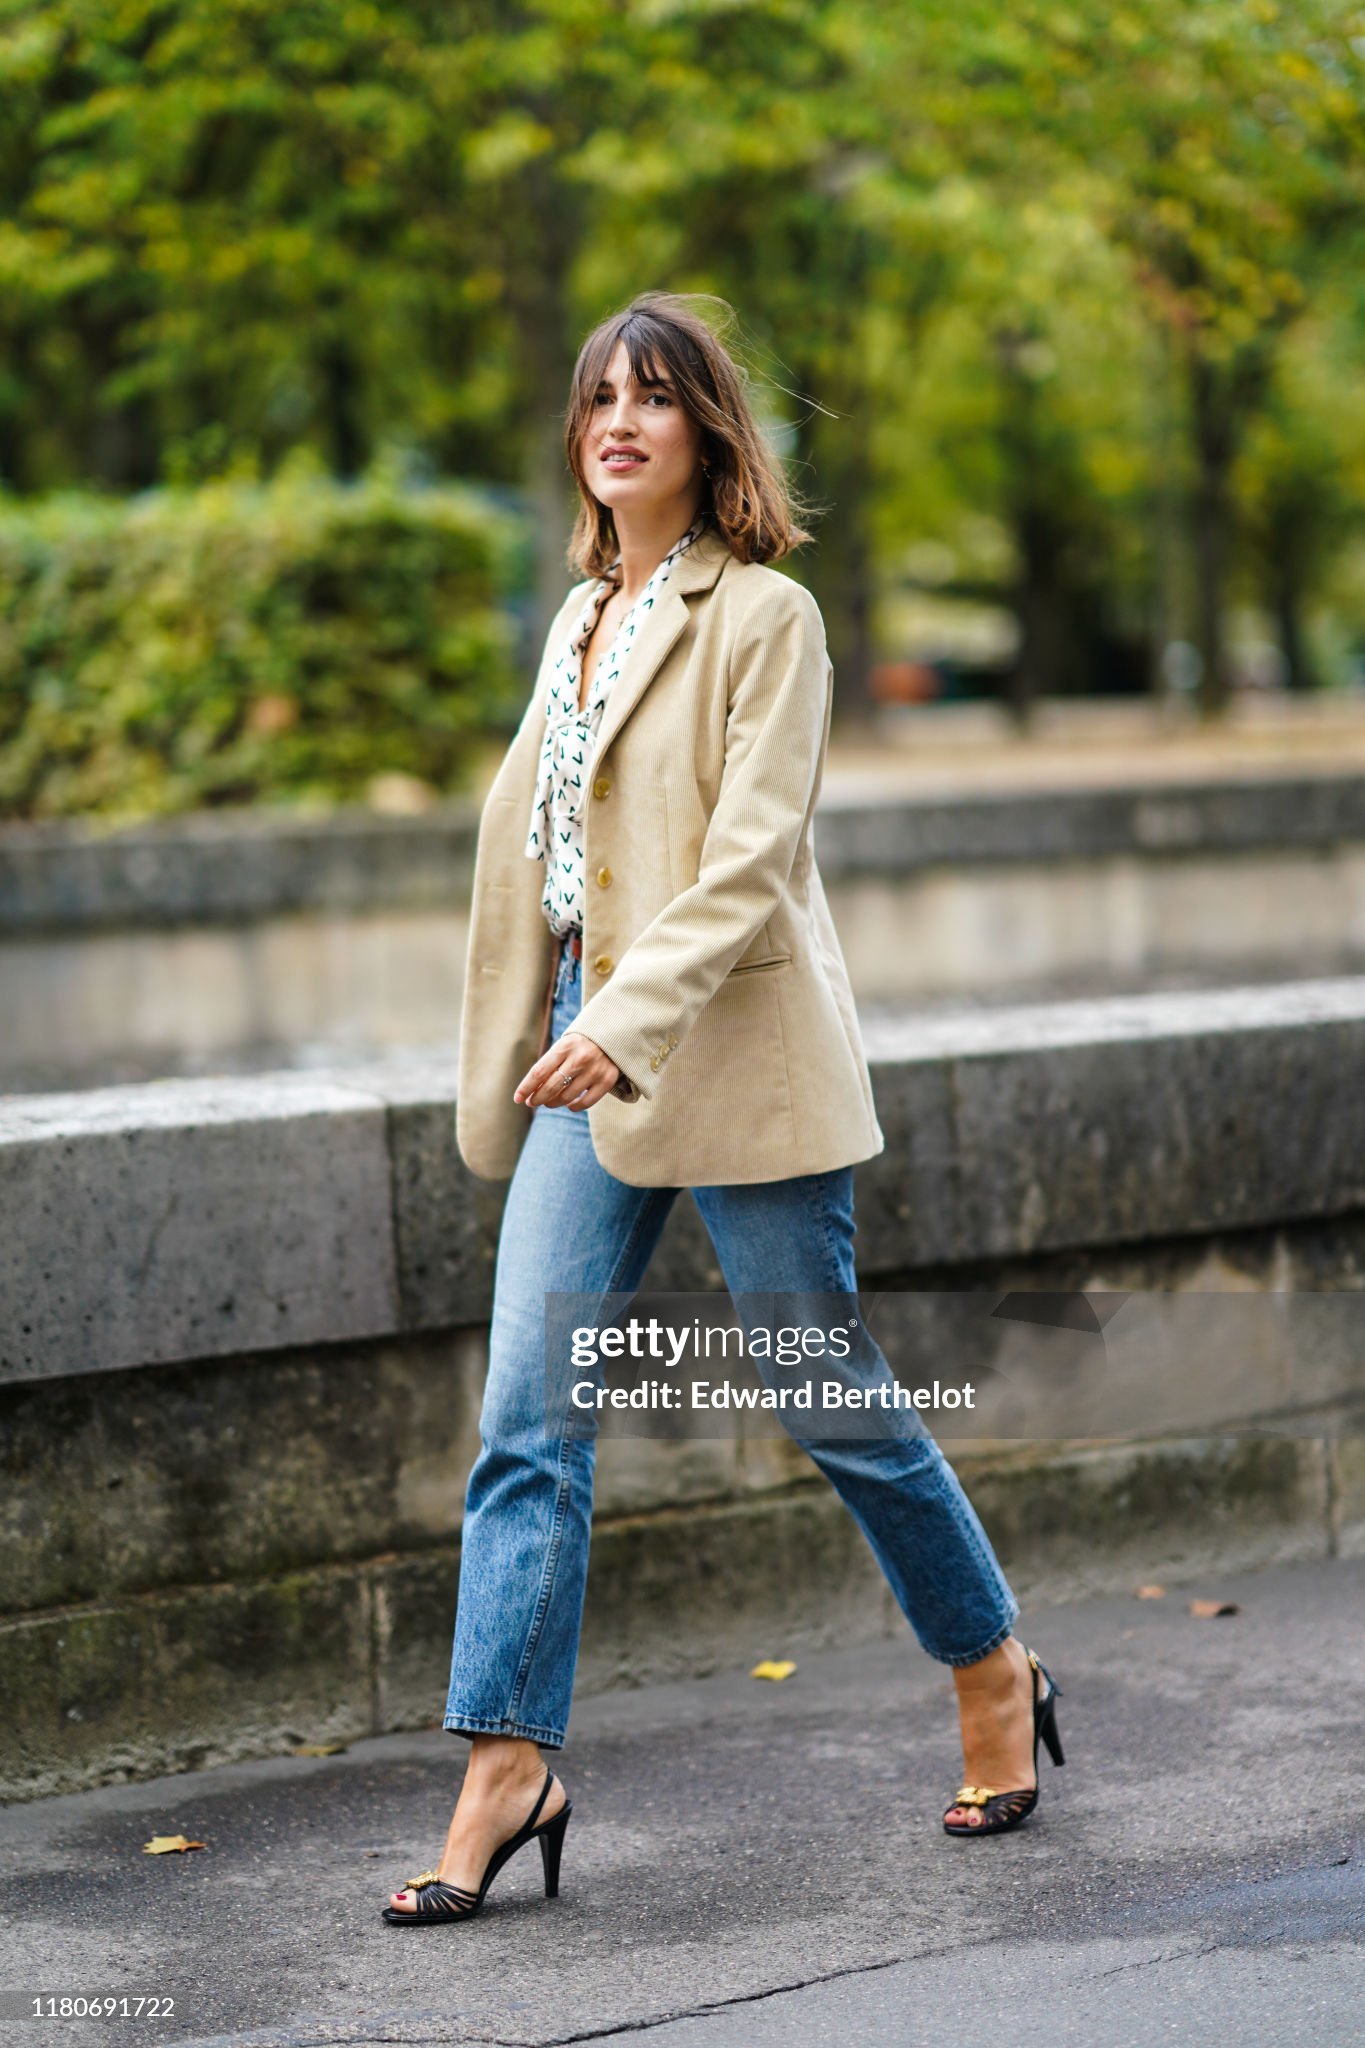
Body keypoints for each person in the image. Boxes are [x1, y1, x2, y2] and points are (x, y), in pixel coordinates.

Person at [382, 292, 1064, 1926]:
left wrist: (620, 1019)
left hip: (724, 1050)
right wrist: (555, 1014)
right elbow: (549, 854)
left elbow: (749, 861)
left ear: (706, 432)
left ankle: (990, 1667)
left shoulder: (769, 619)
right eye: (596, 398)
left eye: (653, 397)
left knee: (823, 1395)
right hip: (581, 1053)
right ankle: (503, 1768)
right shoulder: (573, 619)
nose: (617, 420)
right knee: (526, 1422)